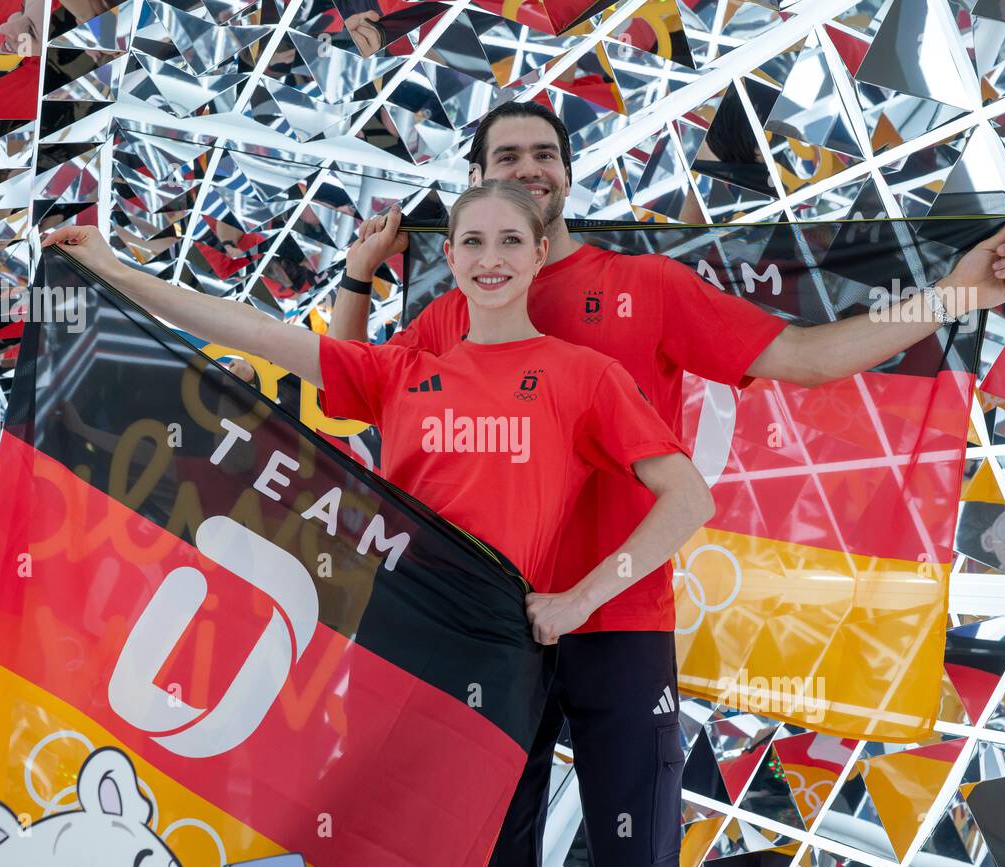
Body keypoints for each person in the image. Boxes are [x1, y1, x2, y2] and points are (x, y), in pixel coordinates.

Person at [330, 99, 1005, 867]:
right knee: (487, 860)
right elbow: (352, 391)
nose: (528, 169)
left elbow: (806, 358)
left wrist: (959, 296)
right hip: (493, 626)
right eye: (508, 158)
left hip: (622, 622)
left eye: (544, 155)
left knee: (640, 863)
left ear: (566, 175)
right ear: (476, 178)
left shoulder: (649, 287)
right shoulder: (452, 315)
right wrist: (358, 274)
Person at [41, 178, 715, 704]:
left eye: (510, 241)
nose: (491, 259)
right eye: (473, 243)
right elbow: (249, 330)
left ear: (540, 253)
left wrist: (583, 599)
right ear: (448, 257)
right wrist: (120, 274)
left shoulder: (586, 376)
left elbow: (688, 501)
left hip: (495, 641)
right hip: (389, 628)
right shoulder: (398, 372)